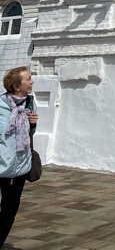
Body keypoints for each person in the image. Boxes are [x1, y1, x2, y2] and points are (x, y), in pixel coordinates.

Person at [0, 67, 38, 248]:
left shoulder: (30, 102)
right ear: (16, 86)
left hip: (20, 167)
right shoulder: (0, 106)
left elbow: (29, 134)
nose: (32, 82)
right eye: (28, 79)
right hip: (0, 166)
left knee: (9, 212)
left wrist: (33, 123)